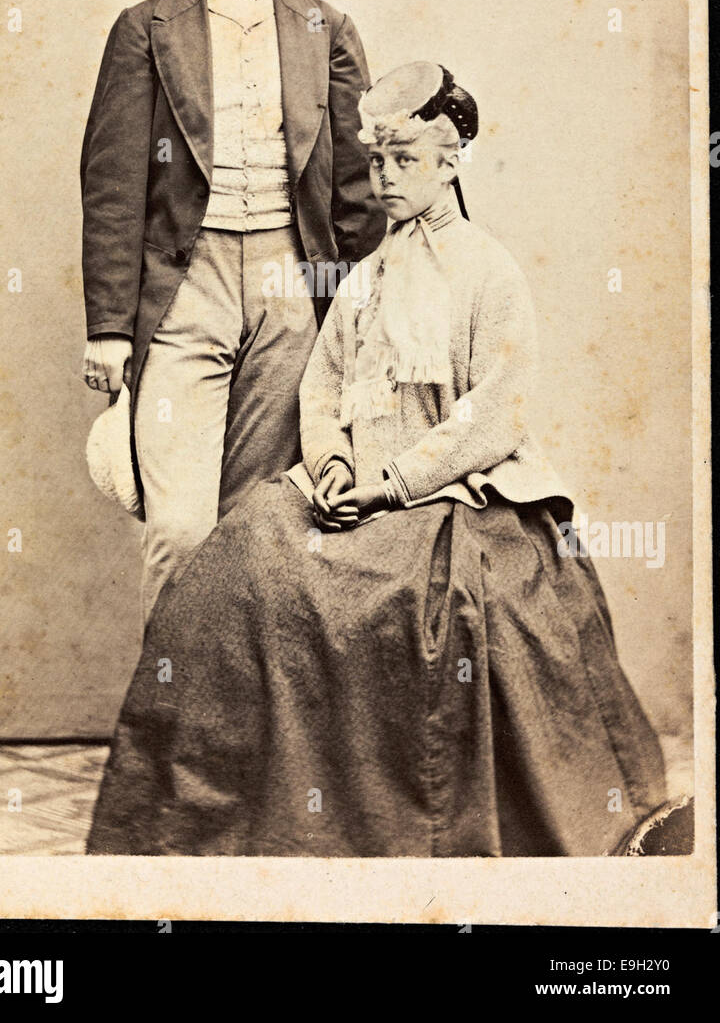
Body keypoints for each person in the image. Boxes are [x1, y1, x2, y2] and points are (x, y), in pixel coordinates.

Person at [87, 61, 666, 858]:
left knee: (437, 607)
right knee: (235, 563)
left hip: (460, 496)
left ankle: (397, 813)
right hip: (349, 489)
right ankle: (239, 806)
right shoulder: (363, 278)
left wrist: (392, 484)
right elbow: (320, 392)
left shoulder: (489, 272)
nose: (387, 177)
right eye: (380, 161)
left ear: (451, 161)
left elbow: (494, 414)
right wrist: (329, 470)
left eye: (407, 161)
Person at [80, 0, 386, 620]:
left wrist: (360, 321)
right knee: (182, 529)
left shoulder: (328, 27)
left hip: (297, 288)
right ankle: (170, 738)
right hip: (186, 290)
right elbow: (112, 185)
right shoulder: (146, 27)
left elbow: (357, 192)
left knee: (263, 525)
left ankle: (251, 736)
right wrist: (110, 326)